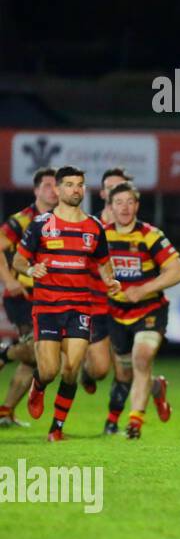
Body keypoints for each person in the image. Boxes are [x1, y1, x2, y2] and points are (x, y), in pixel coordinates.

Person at [11, 166, 121, 441]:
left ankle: (56, 428)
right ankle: (39, 384)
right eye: (70, 184)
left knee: (71, 369)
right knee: (49, 370)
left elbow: (104, 264)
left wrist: (111, 281)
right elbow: (18, 260)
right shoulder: (40, 224)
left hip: (79, 308)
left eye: (80, 185)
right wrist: (30, 270)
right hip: (47, 307)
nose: (76, 189)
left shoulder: (94, 227)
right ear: (58, 190)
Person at [104, 181, 180, 439]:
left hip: (150, 309)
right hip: (117, 314)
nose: (125, 208)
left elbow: (178, 271)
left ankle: (135, 422)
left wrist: (144, 288)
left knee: (142, 357)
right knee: (126, 372)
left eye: (130, 202)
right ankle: (156, 388)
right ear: (111, 207)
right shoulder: (101, 236)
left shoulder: (150, 235)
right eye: (119, 202)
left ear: (137, 206)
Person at [0, 166, 57, 427]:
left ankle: (5, 411)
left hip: (49, 297)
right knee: (37, 351)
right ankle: (5, 352)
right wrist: (9, 280)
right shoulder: (22, 220)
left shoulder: (63, 219)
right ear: (35, 190)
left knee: (36, 357)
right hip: (23, 296)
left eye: (57, 184)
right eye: (46, 185)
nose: (53, 189)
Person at [79, 167, 130, 414]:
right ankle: (86, 373)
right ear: (102, 194)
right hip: (96, 306)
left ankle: (113, 423)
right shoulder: (90, 228)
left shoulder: (139, 230)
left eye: (121, 187)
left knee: (125, 367)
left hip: (124, 309)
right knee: (100, 370)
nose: (115, 192)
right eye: (111, 187)